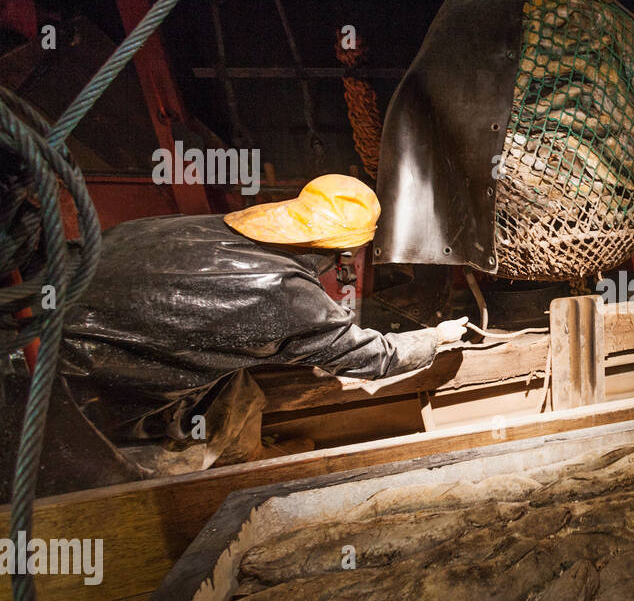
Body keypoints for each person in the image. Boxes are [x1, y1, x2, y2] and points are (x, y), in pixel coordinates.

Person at [44, 175, 467, 486]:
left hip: (55, 321)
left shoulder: (212, 226)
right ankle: (230, 485)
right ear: (345, 250)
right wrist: (436, 337)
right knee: (160, 468)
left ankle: (253, 457)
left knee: (238, 388)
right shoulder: (280, 293)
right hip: (82, 390)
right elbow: (372, 357)